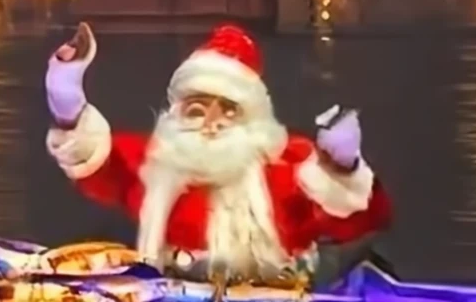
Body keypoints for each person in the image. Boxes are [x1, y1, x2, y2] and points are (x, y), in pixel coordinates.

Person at [45, 21, 392, 283]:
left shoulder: (288, 165)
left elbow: (363, 220)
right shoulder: (156, 163)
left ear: (251, 116)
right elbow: (97, 163)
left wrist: (344, 166)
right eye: (197, 109)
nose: (211, 123)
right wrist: (67, 100)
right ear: (177, 113)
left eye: (228, 109)